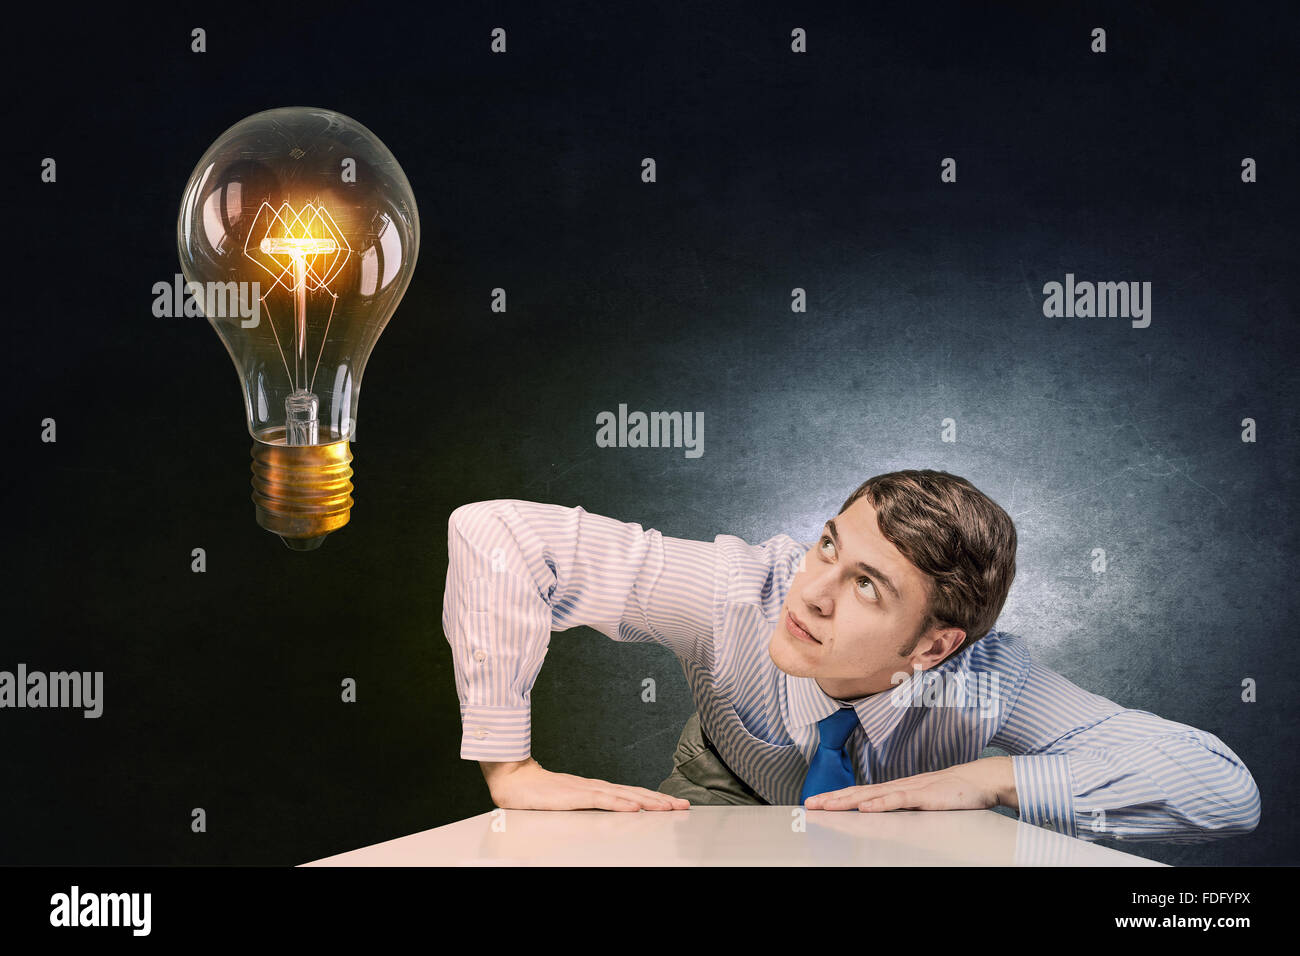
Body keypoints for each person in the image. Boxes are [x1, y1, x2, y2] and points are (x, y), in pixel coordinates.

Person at [440, 469, 1260, 842]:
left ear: (936, 647)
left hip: (901, 840)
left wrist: (988, 779)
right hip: (723, 796)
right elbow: (497, 531)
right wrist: (509, 768)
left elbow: (1221, 789)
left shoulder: (982, 684)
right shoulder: (737, 595)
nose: (812, 592)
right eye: (827, 545)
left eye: (868, 587)